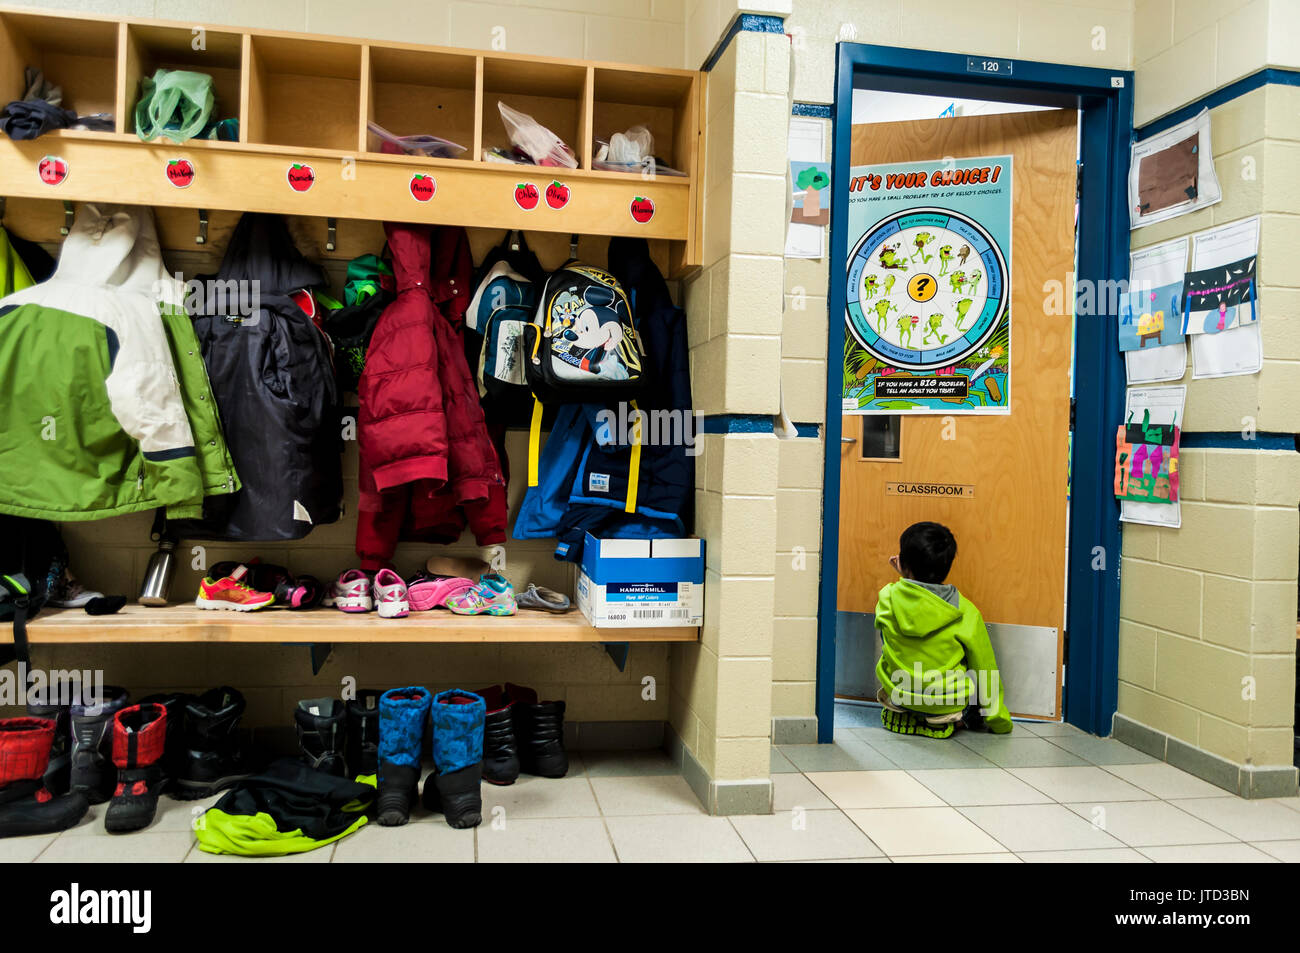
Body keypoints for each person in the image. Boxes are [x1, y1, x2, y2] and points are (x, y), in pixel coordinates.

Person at [874, 521, 1012, 738]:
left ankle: (905, 712)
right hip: (945, 702)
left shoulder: (887, 598)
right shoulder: (965, 611)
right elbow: (985, 668)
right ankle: (947, 719)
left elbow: (910, 602)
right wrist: (999, 719)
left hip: (899, 694)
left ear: (903, 565)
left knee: (891, 641)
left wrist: (905, 577)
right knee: (972, 686)